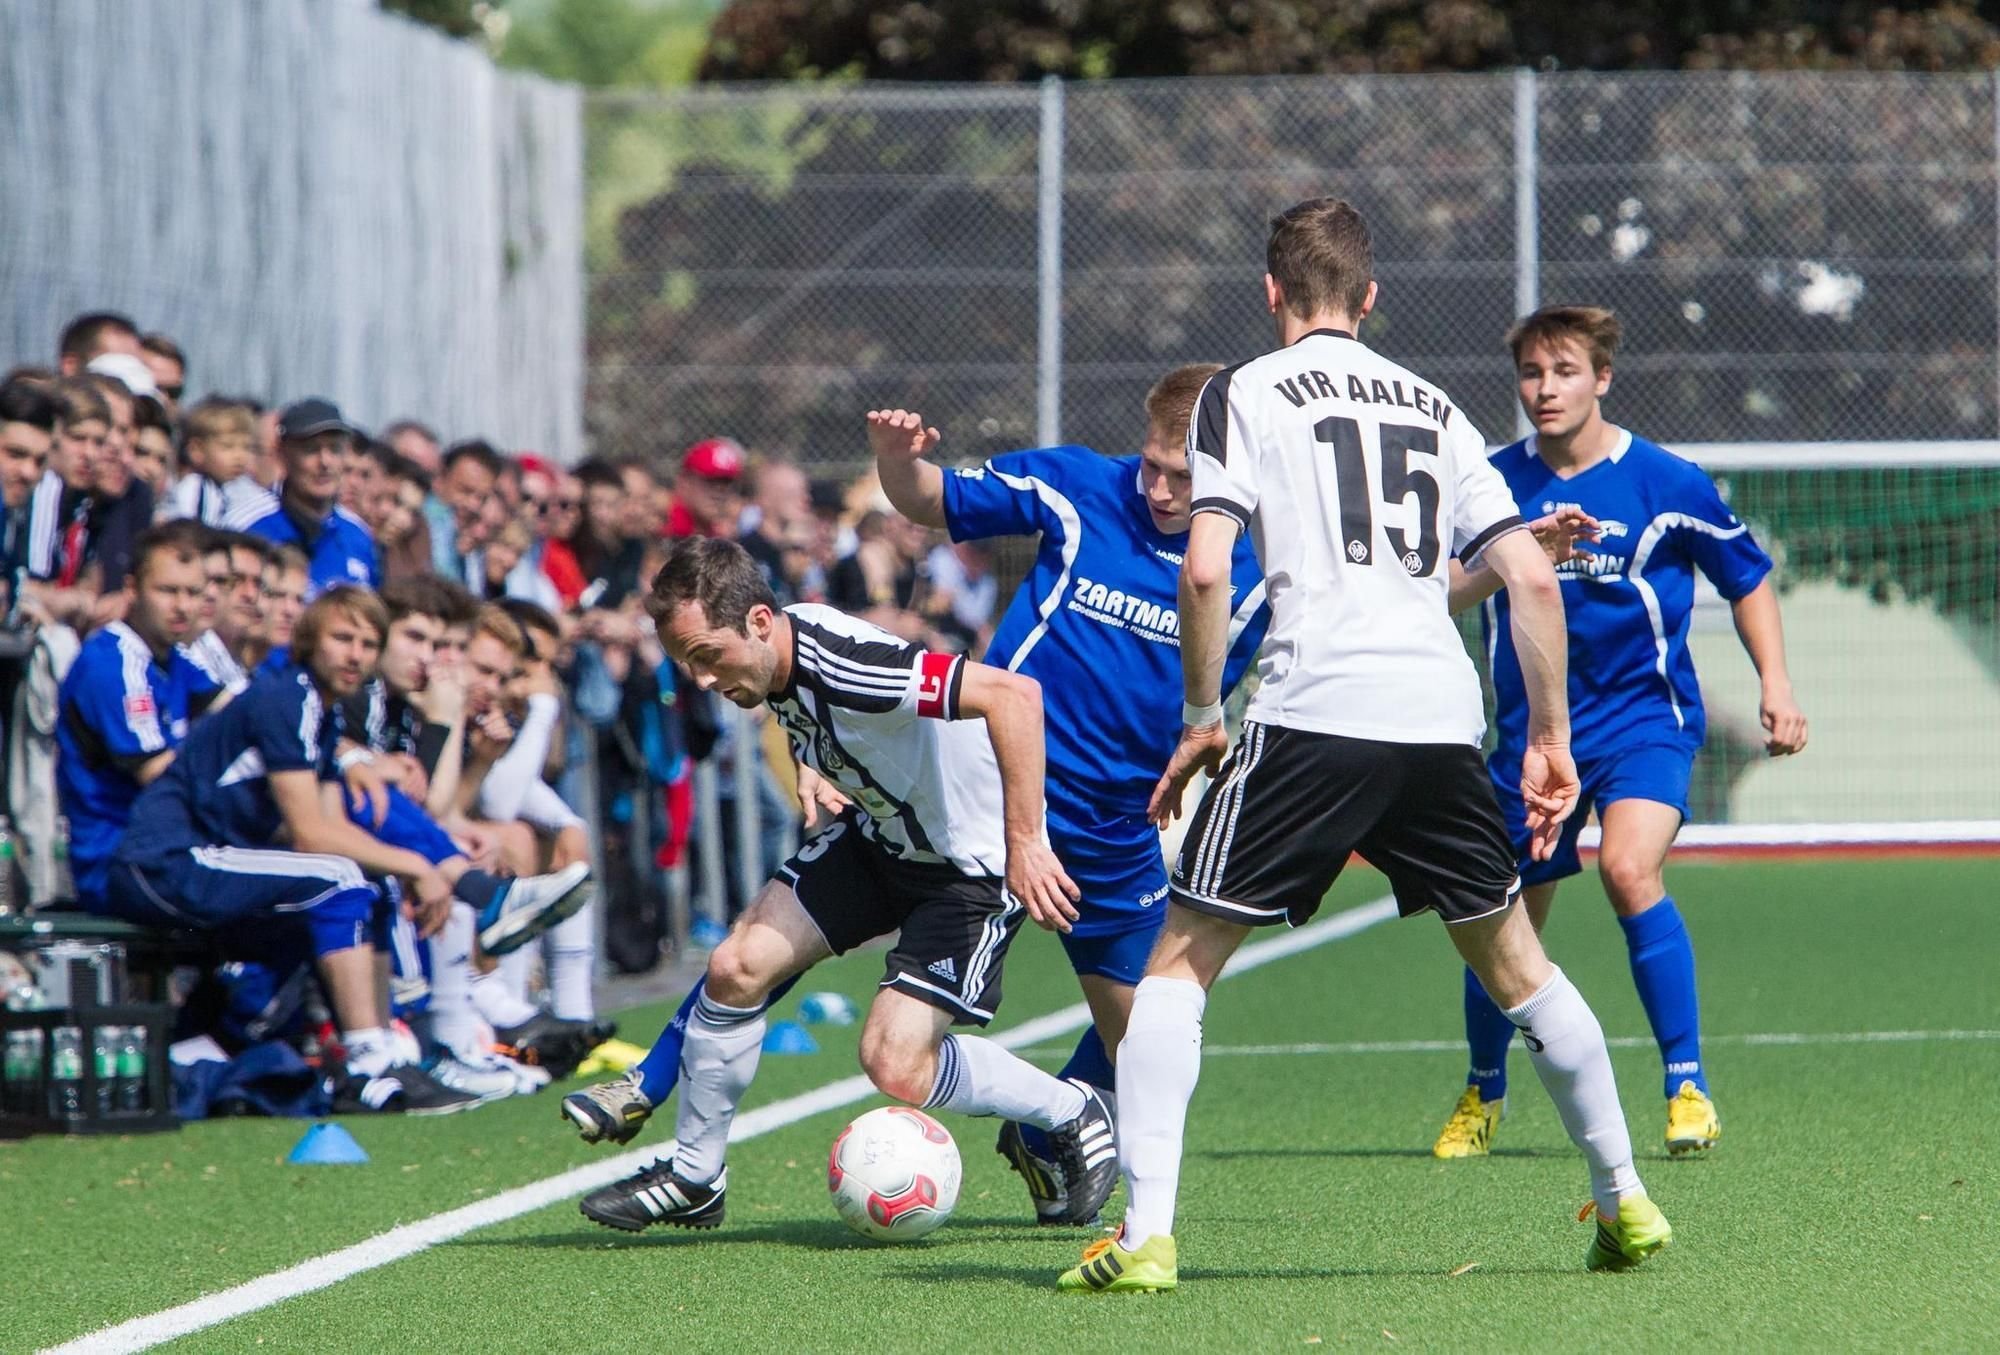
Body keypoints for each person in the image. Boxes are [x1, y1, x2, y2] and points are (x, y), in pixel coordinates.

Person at [1057, 198, 1667, 1295]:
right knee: (1518, 964)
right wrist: (1552, 742)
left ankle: (1145, 1233)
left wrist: (1202, 716)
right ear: (1370, 296)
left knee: (1177, 964)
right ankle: (1622, 1196)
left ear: (1270, 293)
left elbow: (1204, 568)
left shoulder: (1239, 390)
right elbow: (1524, 574)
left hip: (1312, 713)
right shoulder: (1435, 404)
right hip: (1435, 719)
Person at [560, 538, 1118, 1233]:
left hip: (965, 869)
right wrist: (813, 757)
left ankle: (1072, 1110)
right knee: (737, 966)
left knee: (894, 1061)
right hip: (880, 838)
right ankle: (695, 1177)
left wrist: (1027, 841)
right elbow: (815, 708)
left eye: (707, 655)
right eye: (687, 662)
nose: (701, 677)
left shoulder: (846, 663)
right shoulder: (772, 656)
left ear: (760, 622)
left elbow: (1013, 695)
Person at [863, 364, 1269, 1224]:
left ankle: (1056, 1130)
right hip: (994, 796)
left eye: (1184, 476)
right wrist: (896, 459)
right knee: (895, 1037)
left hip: (1118, 823)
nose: (1159, 489)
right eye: (1153, 464)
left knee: (1148, 1037)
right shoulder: (1082, 485)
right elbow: (928, 497)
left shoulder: (1265, 560)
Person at [1431, 304, 1809, 1160]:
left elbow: (1746, 577)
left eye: (1564, 372)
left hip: (1645, 723)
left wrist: (1775, 683)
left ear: (1602, 377)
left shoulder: (1665, 482)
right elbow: (1445, 593)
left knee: (1631, 870)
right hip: (1532, 739)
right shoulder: (1492, 484)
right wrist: (1523, 550)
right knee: (1500, 919)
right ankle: (1484, 1091)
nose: (1545, 389)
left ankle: (1686, 1086)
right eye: (1531, 373)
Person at [103, 587, 479, 1114]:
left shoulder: (320, 713)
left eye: (368, 644)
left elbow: (324, 825)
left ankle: (381, 1052)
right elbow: (311, 835)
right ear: (309, 640)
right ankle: (365, 1060)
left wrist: (402, 869)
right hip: (168, 859)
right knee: (341, 878)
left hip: (210, 858)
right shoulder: (289, 695)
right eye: (342, 638)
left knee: (359, 883)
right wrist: (419, 864)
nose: (355, 655)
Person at [57, 524, 227, 904]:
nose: (182, 606)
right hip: (122, 861)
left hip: (173, 849)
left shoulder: (176, 658)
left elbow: (245, 713)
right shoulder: (113, 663)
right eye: (168, 591)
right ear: (132, 589)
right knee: (313, 888)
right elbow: (161, 777)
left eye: (193, 593)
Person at [231, 399, 379, 595]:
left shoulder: (358, 535)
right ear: (283, 454)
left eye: (334, 449)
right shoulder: (248, 525)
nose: (325, 462)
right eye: (311, 449)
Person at [168, 398, 264, 527]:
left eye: (247, 447)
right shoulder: (194, 489)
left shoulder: (249, 488)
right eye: (227, 446)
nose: (239, 456)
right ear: (197, 450)